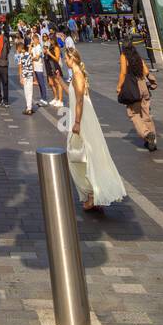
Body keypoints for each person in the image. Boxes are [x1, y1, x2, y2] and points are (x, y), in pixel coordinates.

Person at [64, 47, 127, 211]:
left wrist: (77, 122)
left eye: (66, 58)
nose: (64, 61)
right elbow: (73, 96)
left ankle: (95, 192)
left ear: (72, 59)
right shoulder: (76, 76)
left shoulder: (78, 76)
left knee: (85, 155)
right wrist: (59, 82)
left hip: (83, 118)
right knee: (81, 155)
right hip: (81, 117)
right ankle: (92, 192)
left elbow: (79, 101)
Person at [117, 39, 157, 151]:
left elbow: (123, 72)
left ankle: (146, 134)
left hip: (133, 87)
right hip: (143, 85)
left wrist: (119, 86)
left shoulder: (124, 56)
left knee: (133, 114)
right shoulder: (137, 56)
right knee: (146, 114)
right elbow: (146, 71)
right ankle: (152, 141)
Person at [16, 38, 36, 114]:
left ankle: (28, 108)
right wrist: (34, 74)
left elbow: (20, 67)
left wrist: (20, 77)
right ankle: (29, 107)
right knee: (30, 91)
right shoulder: (29, 54)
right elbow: (32, 64)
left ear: (19, 48)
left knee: (26, 92)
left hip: (24, 75)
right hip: (30, 74)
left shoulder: (19, 56)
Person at [30, 30, 48, 105]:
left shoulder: (39, 47)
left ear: (37, 40)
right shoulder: (34, 47)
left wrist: (31, 58)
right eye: (32, 39)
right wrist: (30, 46)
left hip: (39, 67)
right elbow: (29, 53)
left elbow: (37, 58)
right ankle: (42, 98)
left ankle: (44, 98)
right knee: (40, 84)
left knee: (42, 83)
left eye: (33, 39)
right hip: (35, 67)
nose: (33, 41)